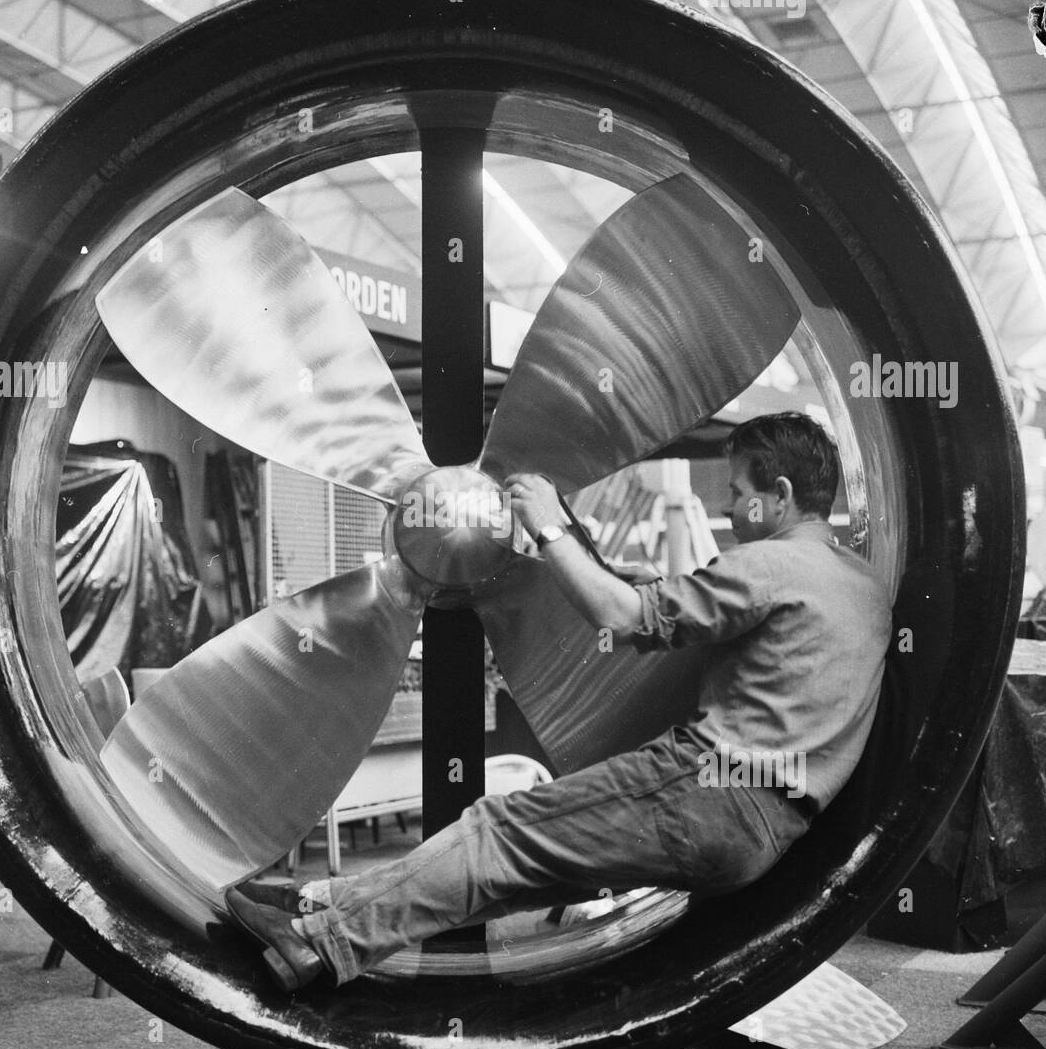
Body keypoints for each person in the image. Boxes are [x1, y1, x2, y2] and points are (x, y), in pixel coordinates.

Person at [225, 411, 893, 991]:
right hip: (768, 831)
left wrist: (545, 529)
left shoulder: (768, 565)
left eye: (738, 492)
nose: (724, 508)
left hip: (700, 792)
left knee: (494, 831)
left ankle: (317, 942)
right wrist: (575, 544)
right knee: (512, 874)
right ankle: (317, 912)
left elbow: (623, 616)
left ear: (778, 494)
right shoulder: (860, 587)